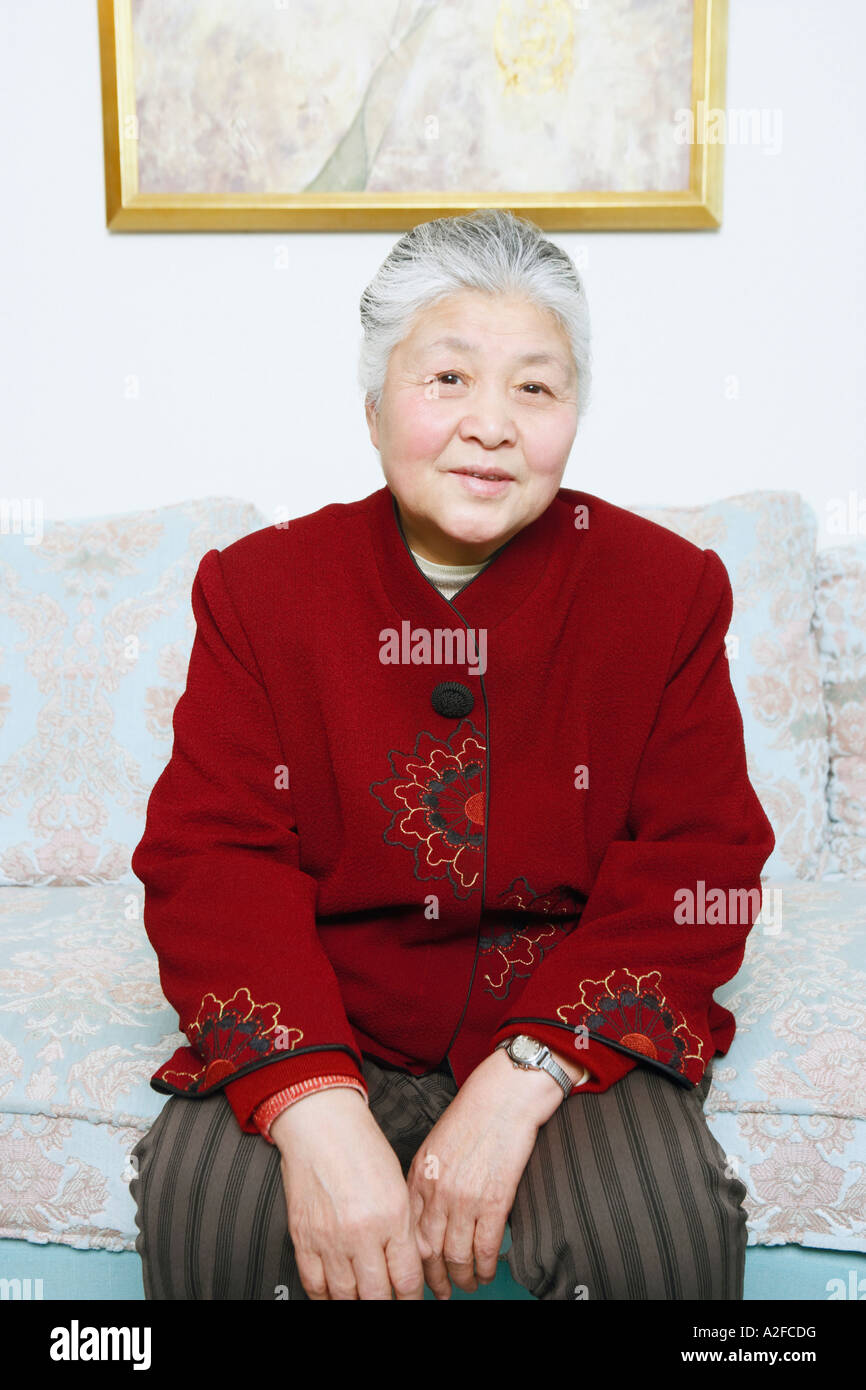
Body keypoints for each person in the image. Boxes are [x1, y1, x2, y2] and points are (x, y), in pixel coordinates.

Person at [129, 208, 774, 1301]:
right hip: (326, 1008)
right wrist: (313, 1103)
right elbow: (211, 862)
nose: (492, 425)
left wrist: (527, 1072)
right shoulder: (259, 591)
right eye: (446, 381)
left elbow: (701, 865)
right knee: (213, 1215)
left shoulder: (663, 592)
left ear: (573, 412)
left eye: (535, 387)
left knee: (649, 1232)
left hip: (567, 1022)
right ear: (374, 404)